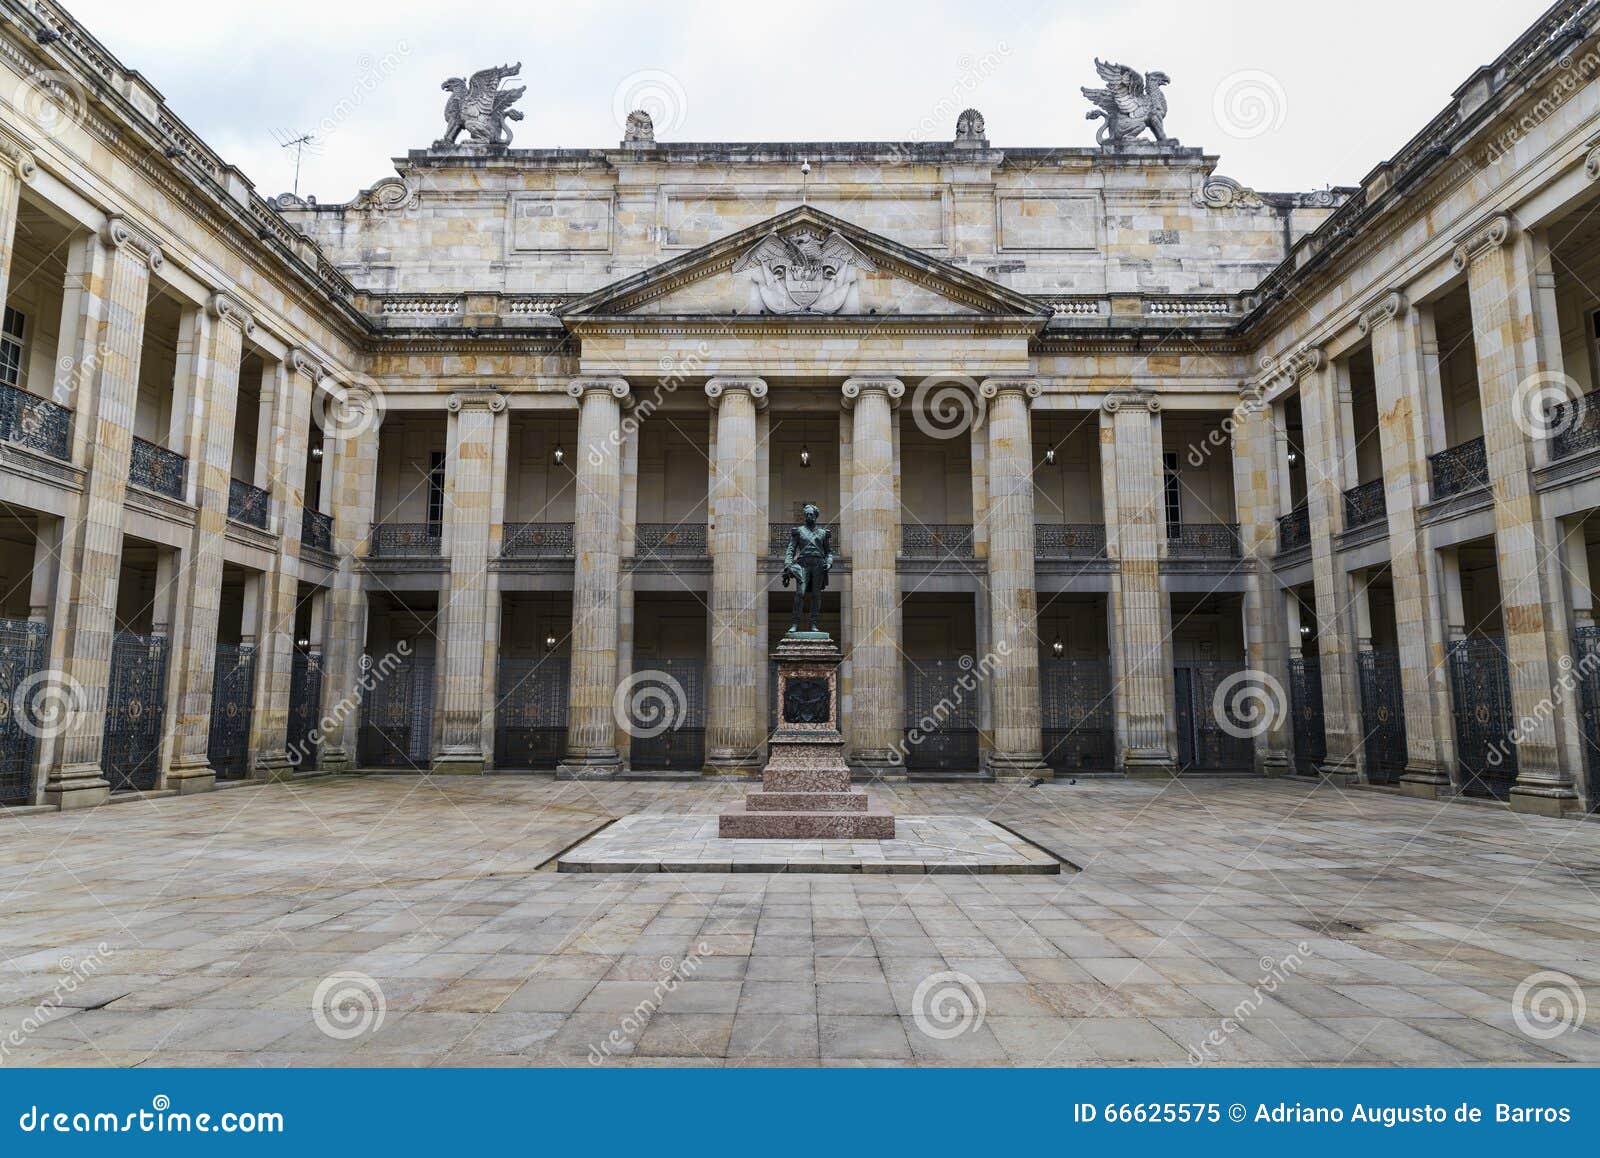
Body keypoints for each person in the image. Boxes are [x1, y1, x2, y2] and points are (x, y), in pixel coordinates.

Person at [783, 503, 834, 633]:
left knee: (816, 595)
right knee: (800, 593)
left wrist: (829, 563)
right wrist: (788, 564)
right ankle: (795, 623)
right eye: (807, 514)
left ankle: (813, 623)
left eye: (811, 514)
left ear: (816, 516)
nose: (809, 516)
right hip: (803, 564)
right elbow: (791, 549)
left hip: (818, 565)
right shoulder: (798, 531)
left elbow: (829, 552)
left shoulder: (823, 533)